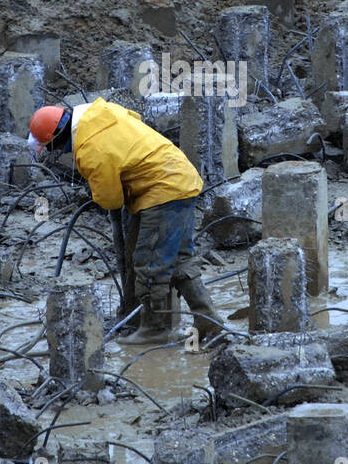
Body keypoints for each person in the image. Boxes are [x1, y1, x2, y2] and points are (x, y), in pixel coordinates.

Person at [27, 98, 226, 346]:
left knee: (150, 262)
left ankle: (155, 329)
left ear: (57, 137)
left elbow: (110, 199)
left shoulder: (90, 148)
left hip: (161, 190)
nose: (56, 152)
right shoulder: (101, 113)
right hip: (181, 177)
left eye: (52, 147)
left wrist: (99, 192)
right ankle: (208, 320)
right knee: (179, 257)